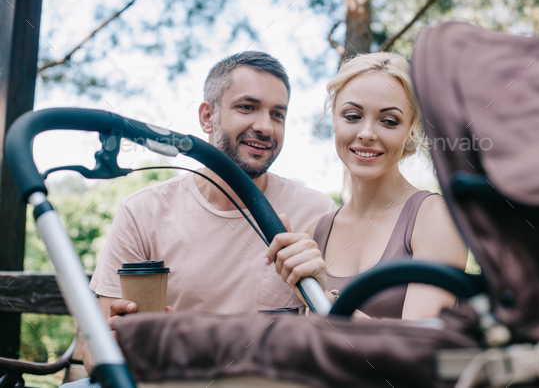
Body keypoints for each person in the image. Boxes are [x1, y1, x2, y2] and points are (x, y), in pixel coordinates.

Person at [66, 51, 336, 386]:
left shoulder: (317, 212)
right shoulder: (142, 212)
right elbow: (94, 356)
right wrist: (114, 349)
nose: (265, 126)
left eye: (277, 114)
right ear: (207, 117)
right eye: (247, 107)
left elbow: (345, 344)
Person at [266, 52, 467, 320]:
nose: (367, 133)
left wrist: (324, 300)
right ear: (334, 121)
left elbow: (418, 347)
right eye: (352, 116)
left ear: (410, 131)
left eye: (389, 121)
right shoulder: (318, 231)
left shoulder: (436, 217)